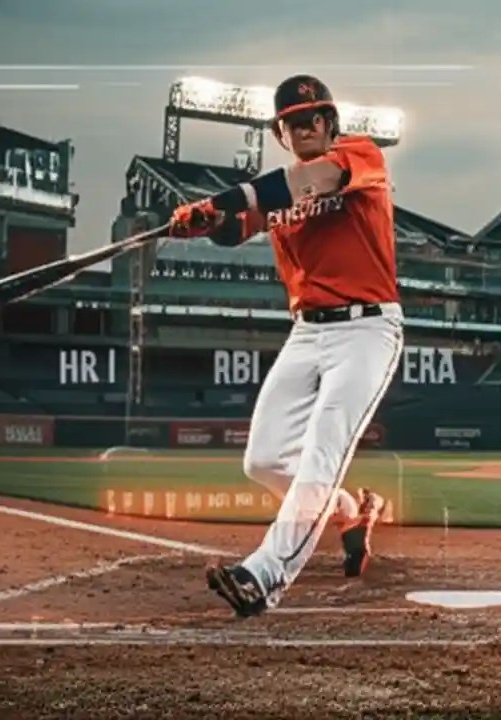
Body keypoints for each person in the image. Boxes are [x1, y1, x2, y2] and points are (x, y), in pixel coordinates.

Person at [169, 75, 401, 617]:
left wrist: (215, 201)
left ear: (329, 123)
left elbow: (298, 184)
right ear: (280, 132)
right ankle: (352, 513)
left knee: (322, 450)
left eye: (313, 119)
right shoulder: (275, 193)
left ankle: (263, 576)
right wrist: (200, 224)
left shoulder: (357, 157)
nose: (304, 128)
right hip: (308, 331)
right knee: (264, 459)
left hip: (367, 331)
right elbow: (238, 225)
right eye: (292, 123)